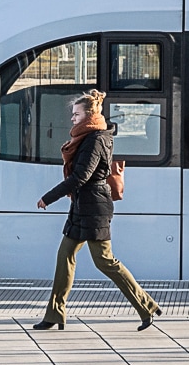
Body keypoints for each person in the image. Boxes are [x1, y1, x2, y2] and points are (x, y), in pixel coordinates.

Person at [34, 90, 160, 331]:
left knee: (104, 261)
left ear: (89, 116)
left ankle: (147, 306)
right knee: (65, 256)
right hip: (82, 206)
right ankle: (55, 314)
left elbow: (81, 176)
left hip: (94, 207)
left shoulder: (95, 140)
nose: (72, 118)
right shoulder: (87, 137)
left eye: (76, 114)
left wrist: (48, 197)